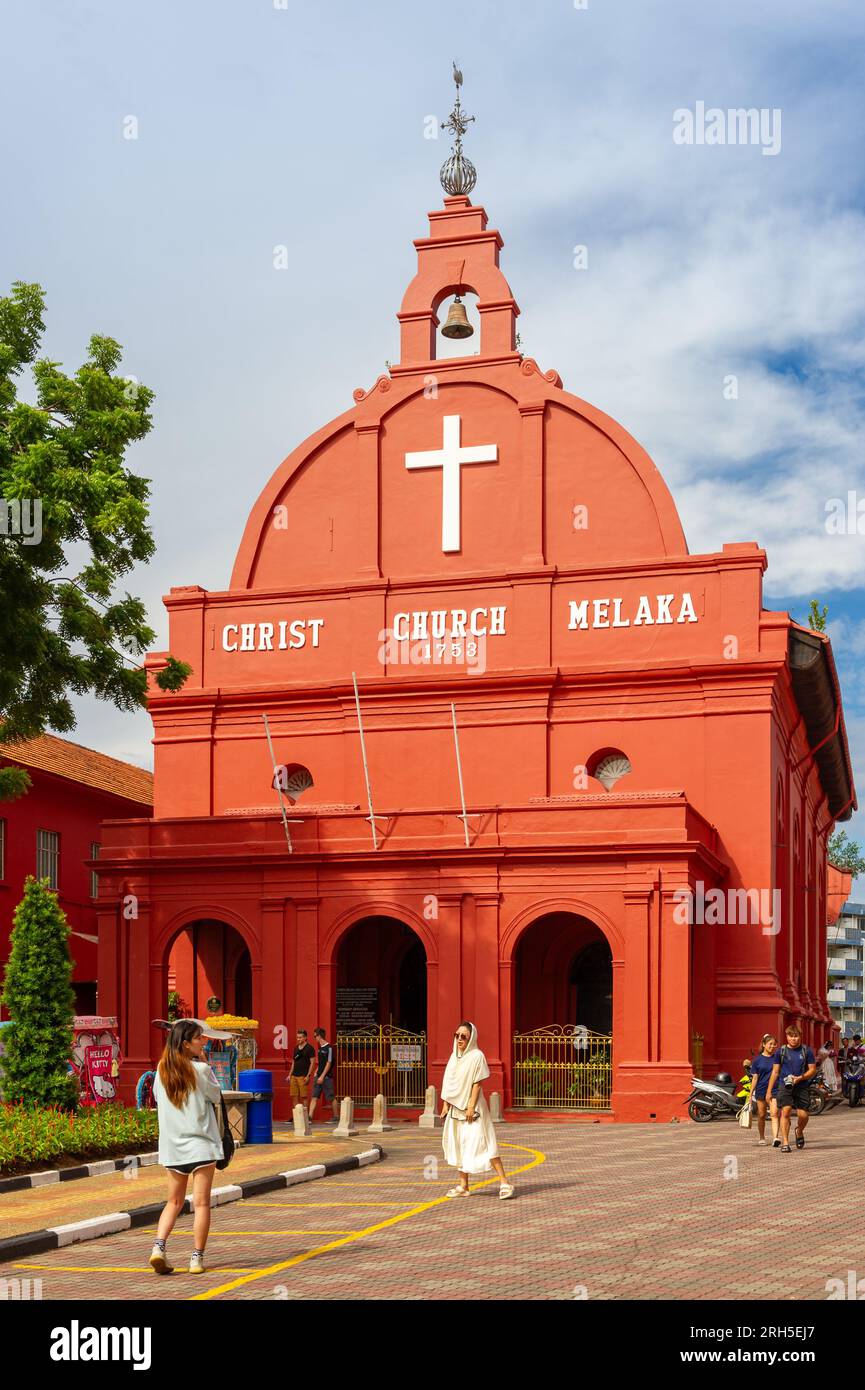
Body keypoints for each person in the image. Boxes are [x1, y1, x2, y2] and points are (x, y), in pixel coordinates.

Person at [149, 1019, 224, 1275]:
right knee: (201, 1203)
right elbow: (216, 1095)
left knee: (174, 1201)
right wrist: (205, 1063)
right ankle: (196, 1258)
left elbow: (159, 1099)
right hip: (201, 1145)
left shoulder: (161, 1070)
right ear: (185, 1044)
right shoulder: (201, 1070)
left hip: (173, 1147)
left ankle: (158, 1248)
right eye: (199, 1039)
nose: (203, 1042)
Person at [440, 1021, 514, 1199]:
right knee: (459, 1143)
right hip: (455, 1110)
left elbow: (477, 1083)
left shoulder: (477, 1056)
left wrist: (471, 1107)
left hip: (473, 1109)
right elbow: (449, 1081)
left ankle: (505, 1182)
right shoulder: (454, 1056)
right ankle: (463, 1185)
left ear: (471, 1038)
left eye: (463, 1036)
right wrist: (445, 1105)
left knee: (485, 1141)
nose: (459, 1039)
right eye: (456, 1035)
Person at [766, 1023, 817, 1154]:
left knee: (803, 1115)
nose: (793, 1039)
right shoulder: (780, 1052)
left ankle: (799, 1131)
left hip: (801, 1085)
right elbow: (775, 1072)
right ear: (786, 1037)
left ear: (800, 1036)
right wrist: (769, 1091)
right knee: (786, 1111)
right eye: (791, 1036)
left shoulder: (807, 1051)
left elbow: (812, 1070)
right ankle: (785, 1142)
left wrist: (800, 1077)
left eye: (796, 1036)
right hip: (785, 1085)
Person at [749, 1034, 779, 1146]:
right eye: (770, 1044)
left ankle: (775, 1137)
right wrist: (750, 1094)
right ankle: (762, 1137)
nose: (772, 1046)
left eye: (774, 1044)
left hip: (774, 1090)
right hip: (761, 1089)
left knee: (774, 1113)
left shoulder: (777, 1058)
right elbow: (755, 1078)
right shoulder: (757, 1060)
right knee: (761, 1115)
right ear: (764, 1045)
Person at [308, 1026, 335, 1122]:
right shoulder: (319, 1048)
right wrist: (316, 1072)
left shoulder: (329, 1048)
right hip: (318, 1075)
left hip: (326, 1077)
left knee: (330, 1097)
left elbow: (329, 1063)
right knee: (314, 1096)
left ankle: (336, 1116)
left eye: (315, 1036)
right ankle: (309, 1116)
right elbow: (321, 1063)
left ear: (319, 1036)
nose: (314, 1038)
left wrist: (322, 1076)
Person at [286, 1028, 316, 1113]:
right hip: (294, 1076)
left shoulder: (310, 1048)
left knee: (304, 1096)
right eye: (297, 1037)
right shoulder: (296, 1048)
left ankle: (305, 1116)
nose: (298, 1039)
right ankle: (297, 1115)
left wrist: (308, 1075)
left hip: (303, 1076)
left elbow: (312, 1063)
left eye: (300, 1037)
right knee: (294, 1096)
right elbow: (293, 1062)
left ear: (305, 1038)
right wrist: (289, 1075)